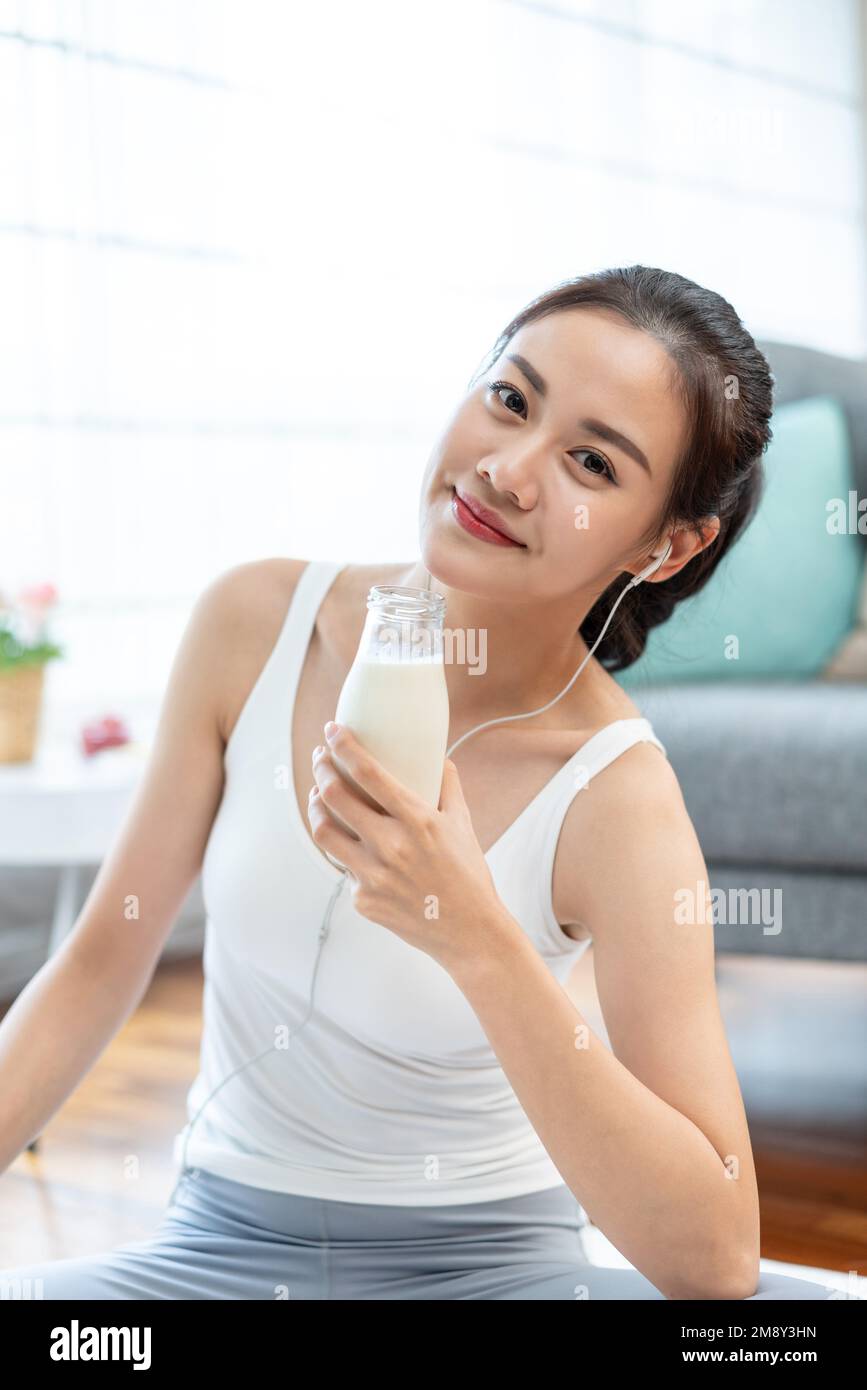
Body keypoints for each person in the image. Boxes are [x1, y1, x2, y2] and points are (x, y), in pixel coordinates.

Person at [0, 266, 837, 1300]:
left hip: (496, 1279)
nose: (510, 470)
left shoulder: (615, 794)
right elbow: (94, 970)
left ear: (667, 545)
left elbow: (713, 1259)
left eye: (588, 461)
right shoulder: (255, 623)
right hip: (214, 1266)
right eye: (510, 399)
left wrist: (473, 932)